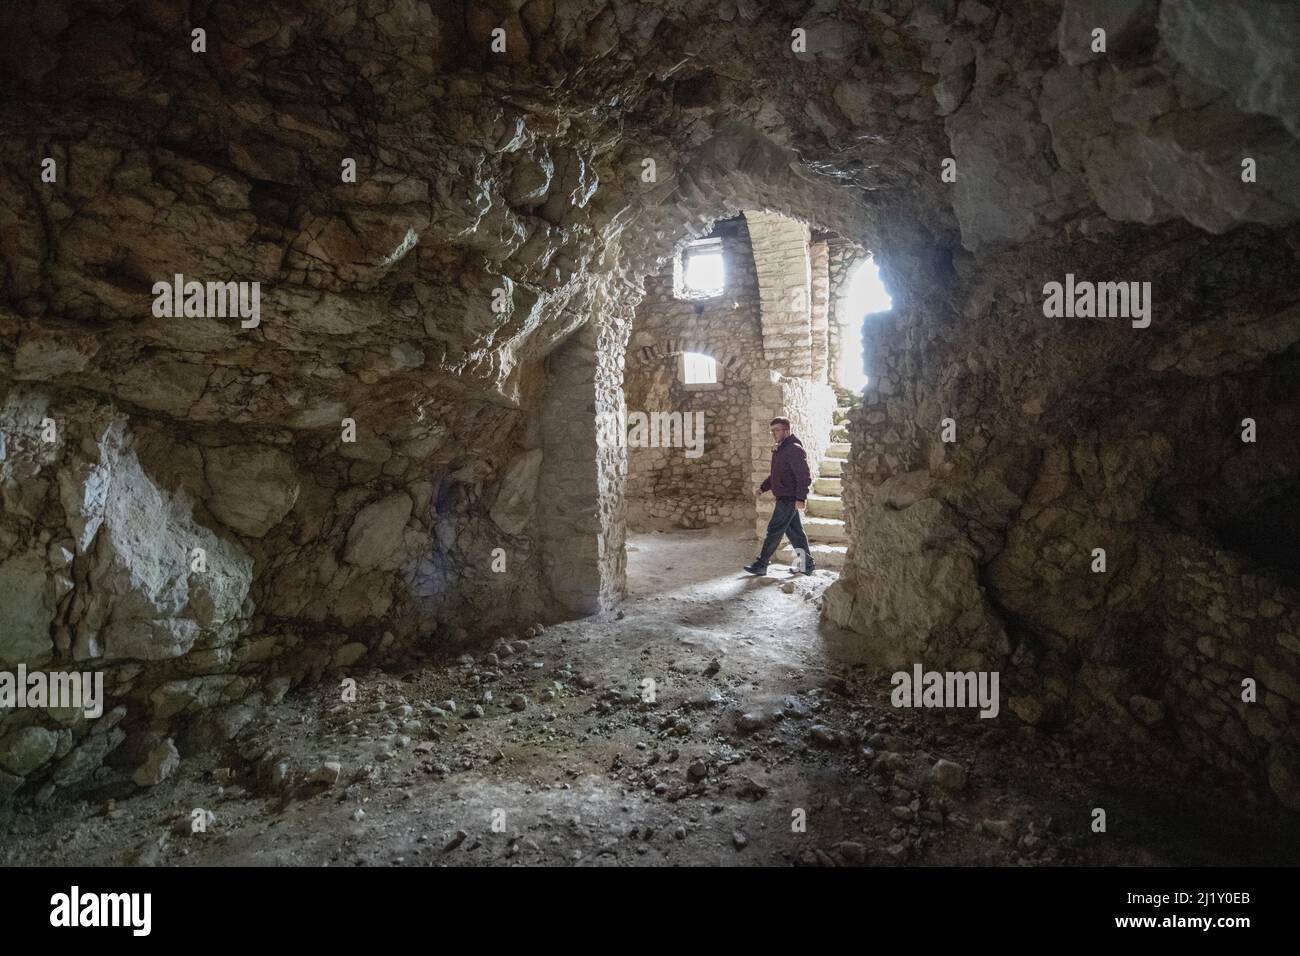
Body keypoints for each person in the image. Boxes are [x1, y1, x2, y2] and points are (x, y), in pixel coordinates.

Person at [744, 417, 815, 575]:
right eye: (772, 430)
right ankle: (807, 565)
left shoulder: (794, 449)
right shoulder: (781, 449)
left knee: (774, 530)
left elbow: (804, 476)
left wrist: (800, 498)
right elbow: (776, 475)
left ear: (787, 430)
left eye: (777, 430)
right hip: (784, 497)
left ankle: (762, 564)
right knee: (796, 534)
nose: (773, 433)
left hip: (789, 498)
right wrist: (763, 488)